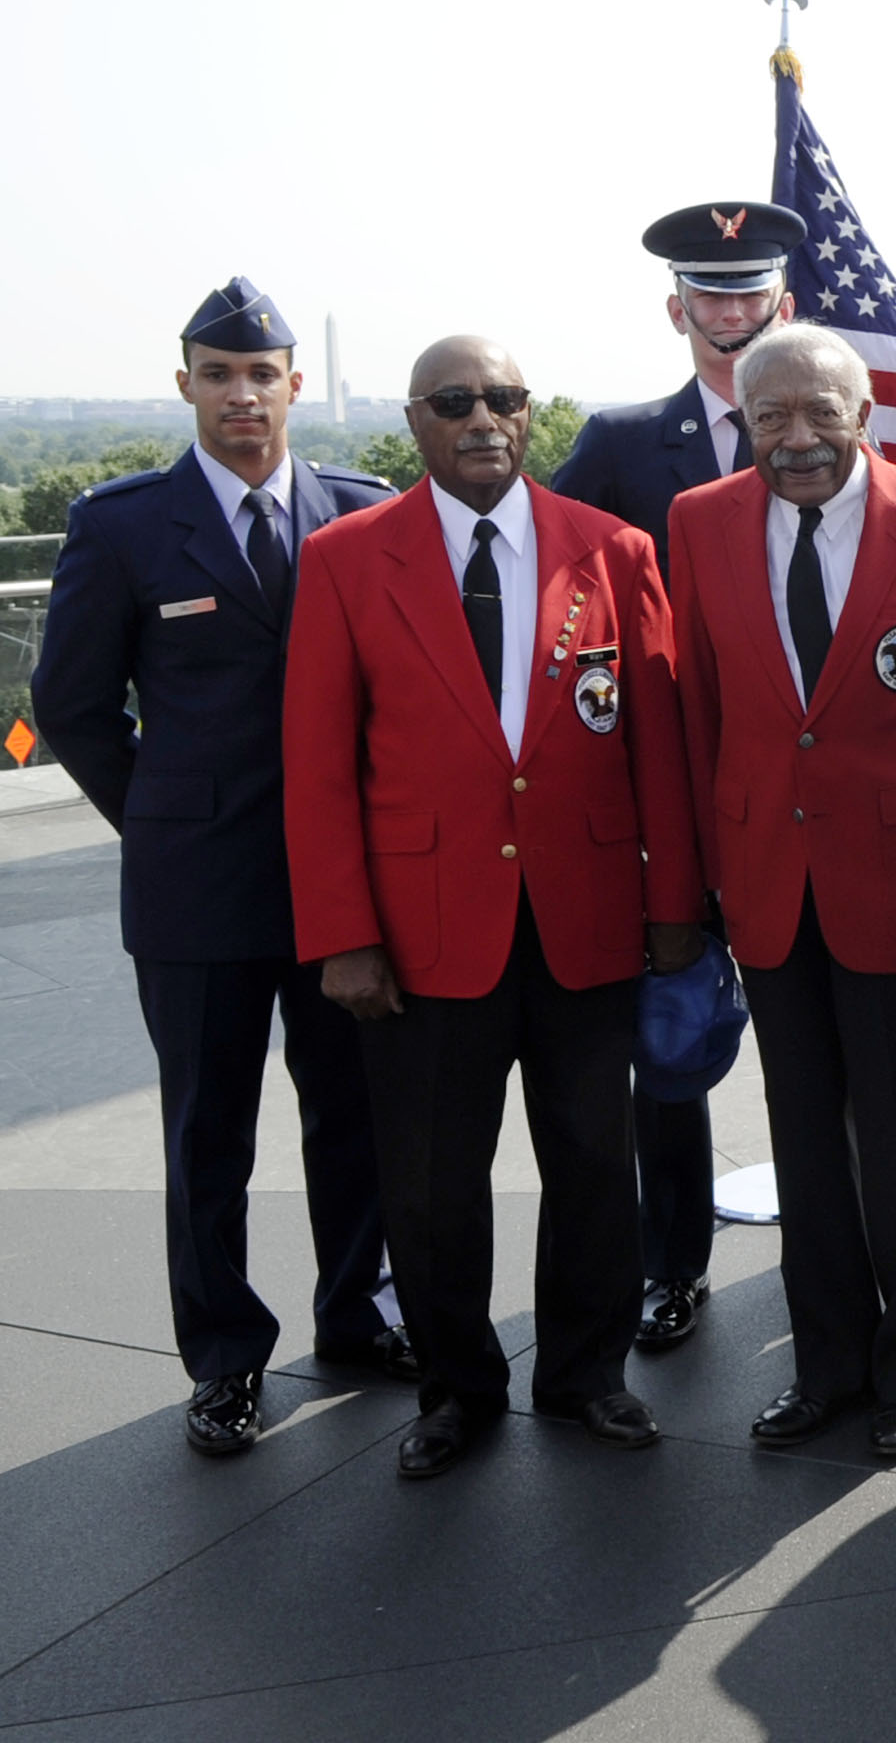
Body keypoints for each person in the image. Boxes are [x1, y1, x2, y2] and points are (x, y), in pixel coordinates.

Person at [284, 335, 706, 1480]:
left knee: (590, 1166)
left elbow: (658, 748)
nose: (485, 419)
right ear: (414, 422)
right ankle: (457, 1388)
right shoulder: (344, 559)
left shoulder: (613, 551)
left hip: (586, 925)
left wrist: (676, 907)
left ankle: (585, 1376)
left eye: (506, 399)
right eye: (455, 401)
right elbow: (318, 768)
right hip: (420, 941)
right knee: (429, 1184)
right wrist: (343, 937)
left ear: (532, 417)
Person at [31, 279, 405, 1458]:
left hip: (344, 883)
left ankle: (355, 1314)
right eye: (219, 374)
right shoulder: (124, 525)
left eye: (263, 375)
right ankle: (226, 1361)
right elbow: (73, 705)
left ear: (297, 385)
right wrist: (161, 816)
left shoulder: (364, 512)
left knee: (356, 1117)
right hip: (197, 888)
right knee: (210, 1134)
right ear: (186, 383)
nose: (243, 396)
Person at [670, 324, 896, 1460]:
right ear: (744, 425)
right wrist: (695, 883)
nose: (798, 438)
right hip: (768, 883)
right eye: (771, 417)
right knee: (804, 1138)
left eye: (821, 412)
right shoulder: (699, 523)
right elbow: (700, 717)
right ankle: (824, 1367)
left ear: (863, 417)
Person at [552, 200, 805, 1352]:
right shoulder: (615, 447)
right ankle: (673, 1267)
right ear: (678, 311)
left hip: (793, 790)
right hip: (667, 792)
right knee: (667, 1045)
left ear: (784, 306)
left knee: (825, 1041)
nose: (734, 316)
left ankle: (842, 1258)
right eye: (713, 296)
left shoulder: (831, 430)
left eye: (751, 294)